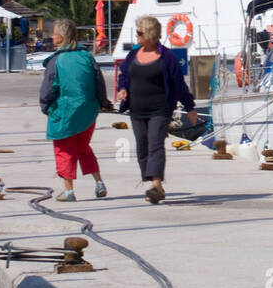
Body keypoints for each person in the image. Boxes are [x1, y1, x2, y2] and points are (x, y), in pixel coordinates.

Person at [116, 15, 198, 204]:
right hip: (137, 109)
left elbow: (178, 85)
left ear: (150, 34)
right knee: (142, 147)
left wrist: (190, 107)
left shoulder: (167, 57)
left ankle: (155, 183)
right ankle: (156, 185)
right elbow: (124, 75)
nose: (136, 36)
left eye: (139, 32)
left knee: (155, 144)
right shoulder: (133, 54)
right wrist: (122, 89)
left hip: (160, 109)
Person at [39, 18, 111, 202]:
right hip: (88, 112)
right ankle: (99, 183)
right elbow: (99, 82)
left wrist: (46, 107)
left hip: (65, 112)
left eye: (54, 33)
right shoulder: (87, 56)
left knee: (64, 150)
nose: (52, 36)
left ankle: (69, 191)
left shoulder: (56, 60)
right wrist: (102, 103)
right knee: (83, 148)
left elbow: (48, 88)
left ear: (61, 36)